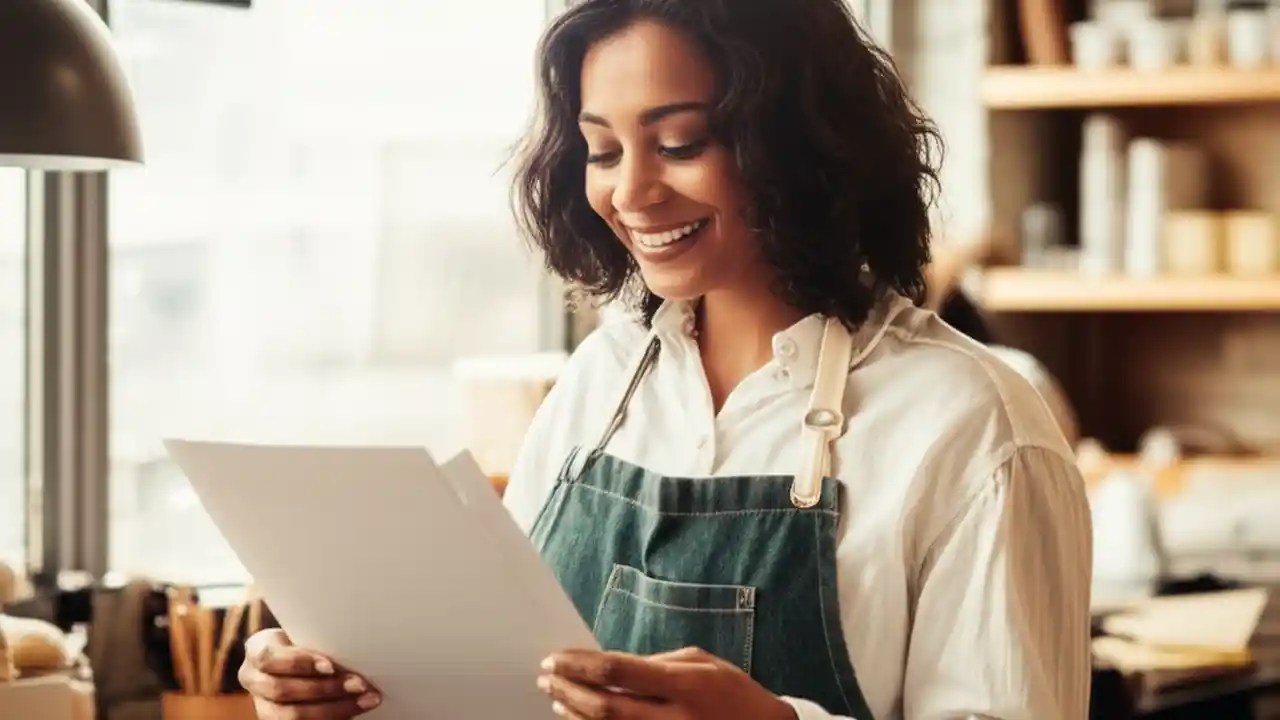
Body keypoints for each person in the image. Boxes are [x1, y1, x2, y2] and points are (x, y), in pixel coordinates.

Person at [237, 1, 1093, 718]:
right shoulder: (604, 381)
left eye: (680, 144)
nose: (631, 192)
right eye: (602, 151)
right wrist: (349, 690)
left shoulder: (972, 427)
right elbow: (506, 689)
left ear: (800, 147)